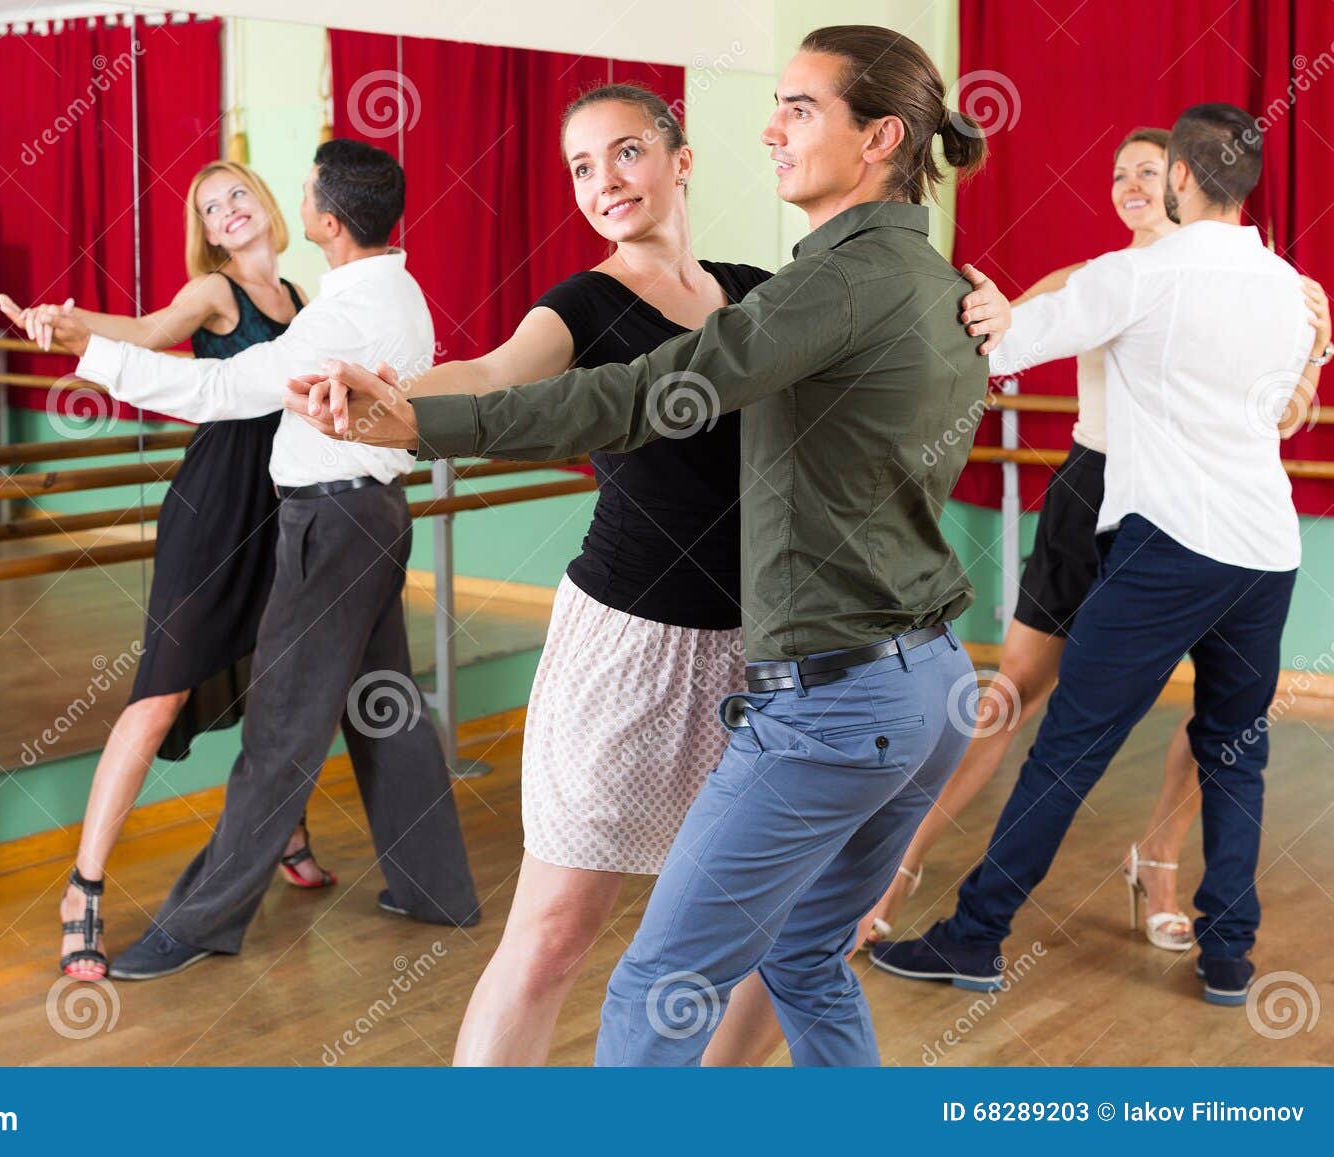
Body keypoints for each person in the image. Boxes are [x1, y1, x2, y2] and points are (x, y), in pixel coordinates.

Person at [289, 25, 999, 1066]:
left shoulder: (781, 287)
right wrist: (397, 403)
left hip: (780, 665)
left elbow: (740, 379)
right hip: (670, 648)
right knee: (597, 934)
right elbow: (500, 376)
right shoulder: (606, 298)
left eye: (625, 150)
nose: (604, 179)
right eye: (581, 166)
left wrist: (1005, 311)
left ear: (679, 159)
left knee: (730, 964)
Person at [871, 103, 1322, 1008]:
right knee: (1235, 751)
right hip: (1267, 553)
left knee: (1069, 748)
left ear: (1181, 177)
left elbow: (1007, 342)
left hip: (1171, 546)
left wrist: (983, 303)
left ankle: (974, 937)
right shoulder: (1288, 286)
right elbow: (1288, 400)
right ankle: (1229, 954)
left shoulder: (1140, 272)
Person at [34, 139, 481, 981]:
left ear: (328, 221)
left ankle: (199, 922)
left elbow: (215, 390)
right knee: (386, 706)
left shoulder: (331, 312)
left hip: (328, 523)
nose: (292, 198)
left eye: (305, 190)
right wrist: (90, 333)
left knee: (280, 730)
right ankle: (437, 889)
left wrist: (86, 353)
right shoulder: (397, 291)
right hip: (369, 515)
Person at [857, 128, 1213, 954]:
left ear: (1186, 181)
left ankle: (1159, 857)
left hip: (1188, 501)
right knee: (1010, 692)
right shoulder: (1090, 278)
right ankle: (897, 865)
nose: (1129, 184)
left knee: (1223, 703)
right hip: (1091, 490)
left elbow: (1286, 392)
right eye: (1118, 172)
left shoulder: (1227, 284)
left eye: (1148, 171)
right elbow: (992, 336)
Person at [0, 161, 334, 981]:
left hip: (280, 502)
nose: (228, 211)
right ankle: (82, 889)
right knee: (158, 696)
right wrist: (70, 324)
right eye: (211, 208)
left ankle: (282, 830)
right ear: (208, 234)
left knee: (274, 678)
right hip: (215, 505)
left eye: (237, 194)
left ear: (266, 202)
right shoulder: (217, 291)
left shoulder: (302, 296)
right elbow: (147, 331)